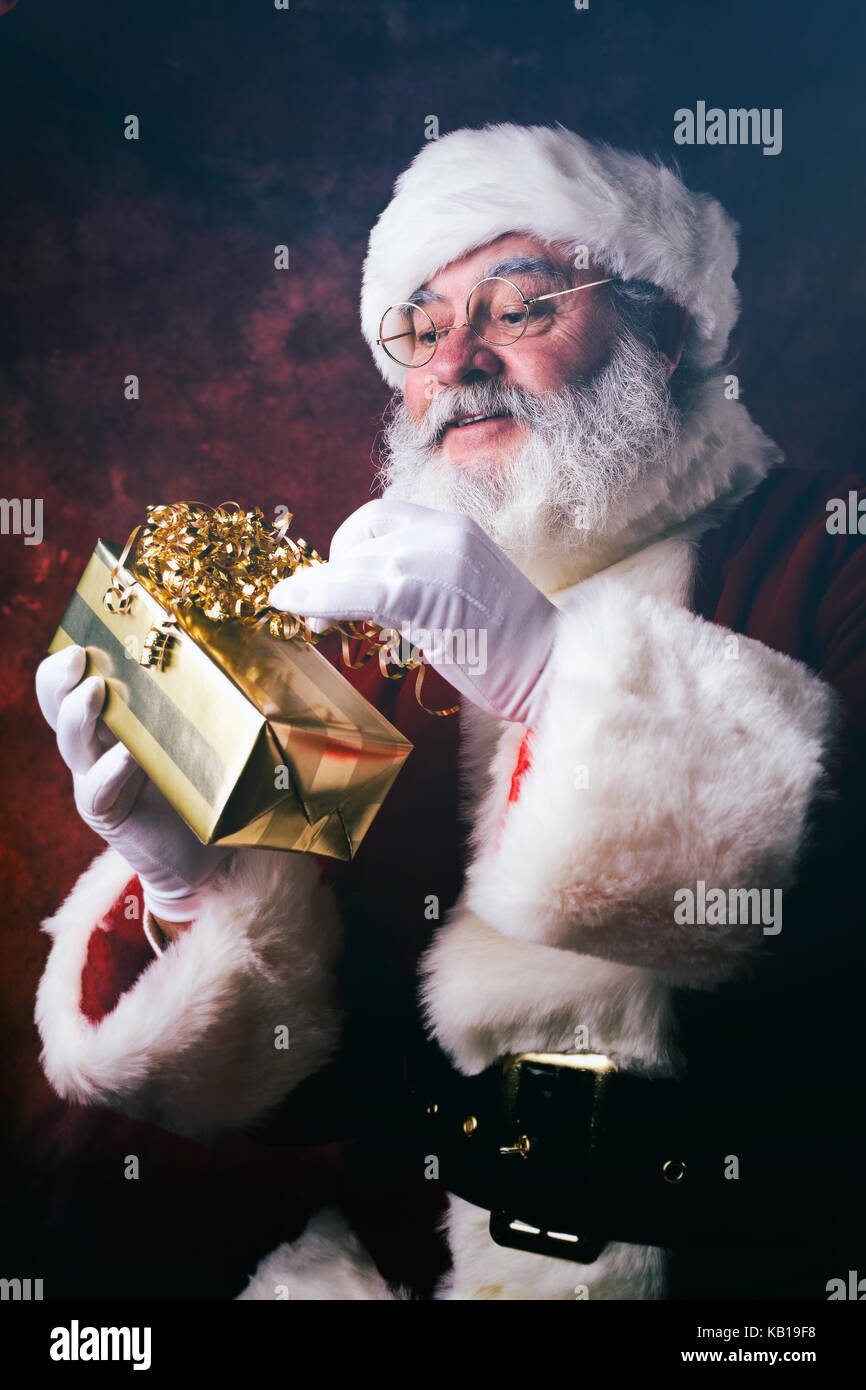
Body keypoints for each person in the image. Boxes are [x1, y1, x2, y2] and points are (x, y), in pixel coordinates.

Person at [33, 123, 865, 1300]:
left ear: (660, 330)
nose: (458, 357)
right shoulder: (384, 649)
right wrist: (188, 891)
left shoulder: (829, 550)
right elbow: (318, 1086)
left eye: (518, 307)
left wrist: (551, 681)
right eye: (422, 329)